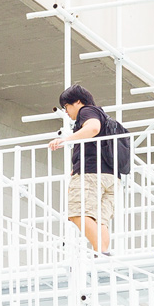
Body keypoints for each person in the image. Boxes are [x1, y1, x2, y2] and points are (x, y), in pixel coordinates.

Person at [47, 85, 125, 253]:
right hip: (111, 176)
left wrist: (65, 140)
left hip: (92, 174)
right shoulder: (103, 116)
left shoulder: (87, 111)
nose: (66, 111)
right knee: (99, 221)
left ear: (77, 102)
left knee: (77, 212)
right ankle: (102, 255)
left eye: (66, 106)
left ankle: (101, 252)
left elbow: (93, 128)